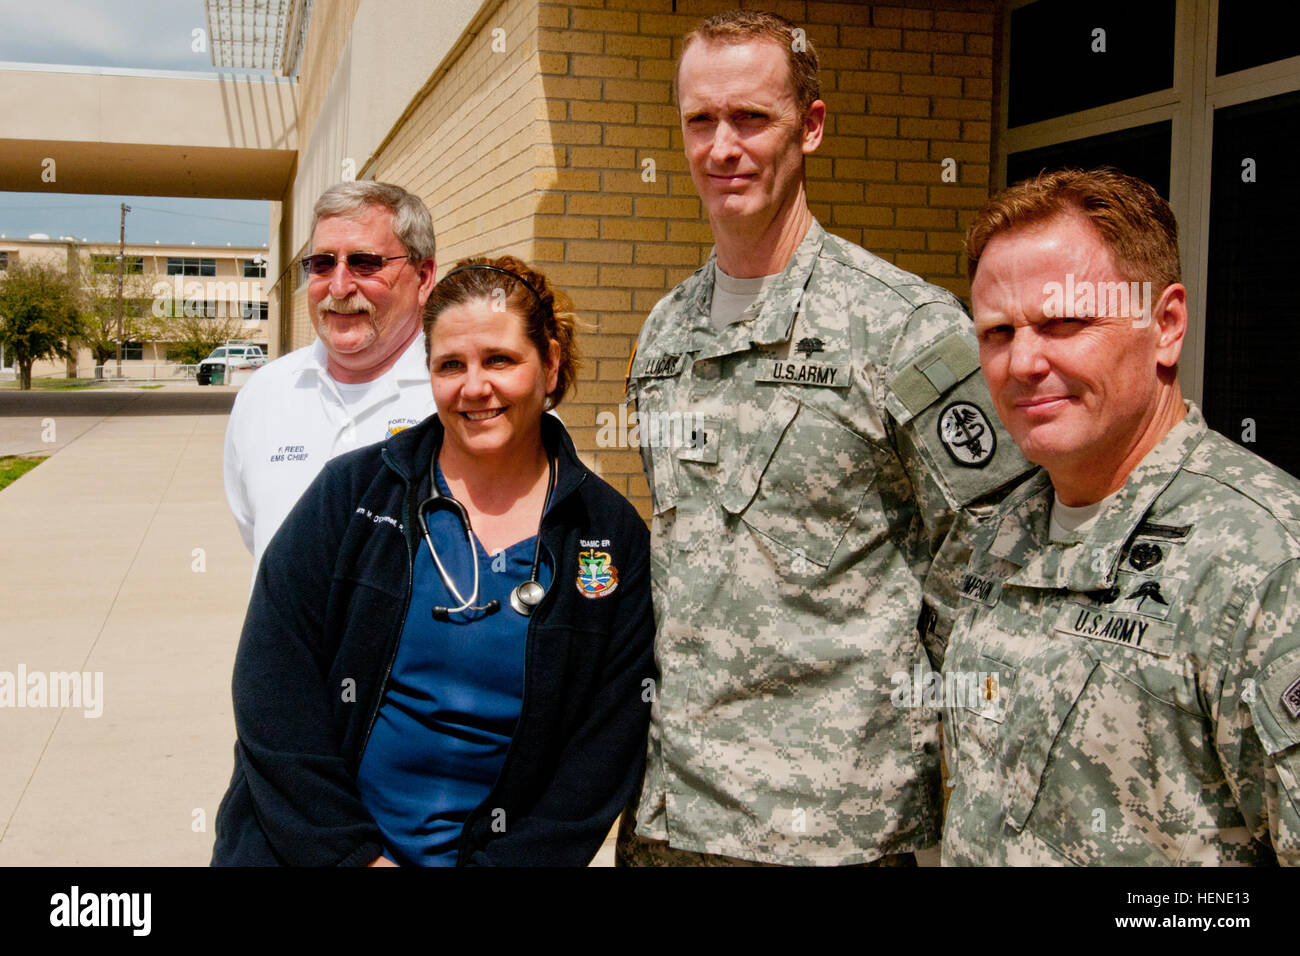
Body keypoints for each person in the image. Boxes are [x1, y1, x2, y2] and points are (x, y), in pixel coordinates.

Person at [617, 10, 1031, 867]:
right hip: (669, 816)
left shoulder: (905, 330)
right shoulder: (665, 332)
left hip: (834, 827)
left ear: (810, 127)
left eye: (751, 118)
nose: (722, 146)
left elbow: (995, 564)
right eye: (700, 120)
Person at [212, 256, 656, 866]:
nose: (475, 387)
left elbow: (603, 751)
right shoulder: (354, 493)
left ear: (549, 364)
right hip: (311, 853)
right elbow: (272, 683)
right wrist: (352, 858)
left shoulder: (608, 537)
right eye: (451, 365)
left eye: (500, 360)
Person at [939, 167, 1300, 865]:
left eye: (1065, 322)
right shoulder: (999, 532)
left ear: (1165, 326)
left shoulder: (1266, 564)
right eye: (997, 331)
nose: (1022, 362)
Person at [224, 181, 438, 573]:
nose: (338, 287)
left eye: (365, 262)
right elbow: (258, 534)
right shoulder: (264, 393)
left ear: (423, 278)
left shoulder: (471, 401)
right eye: (322, 264)